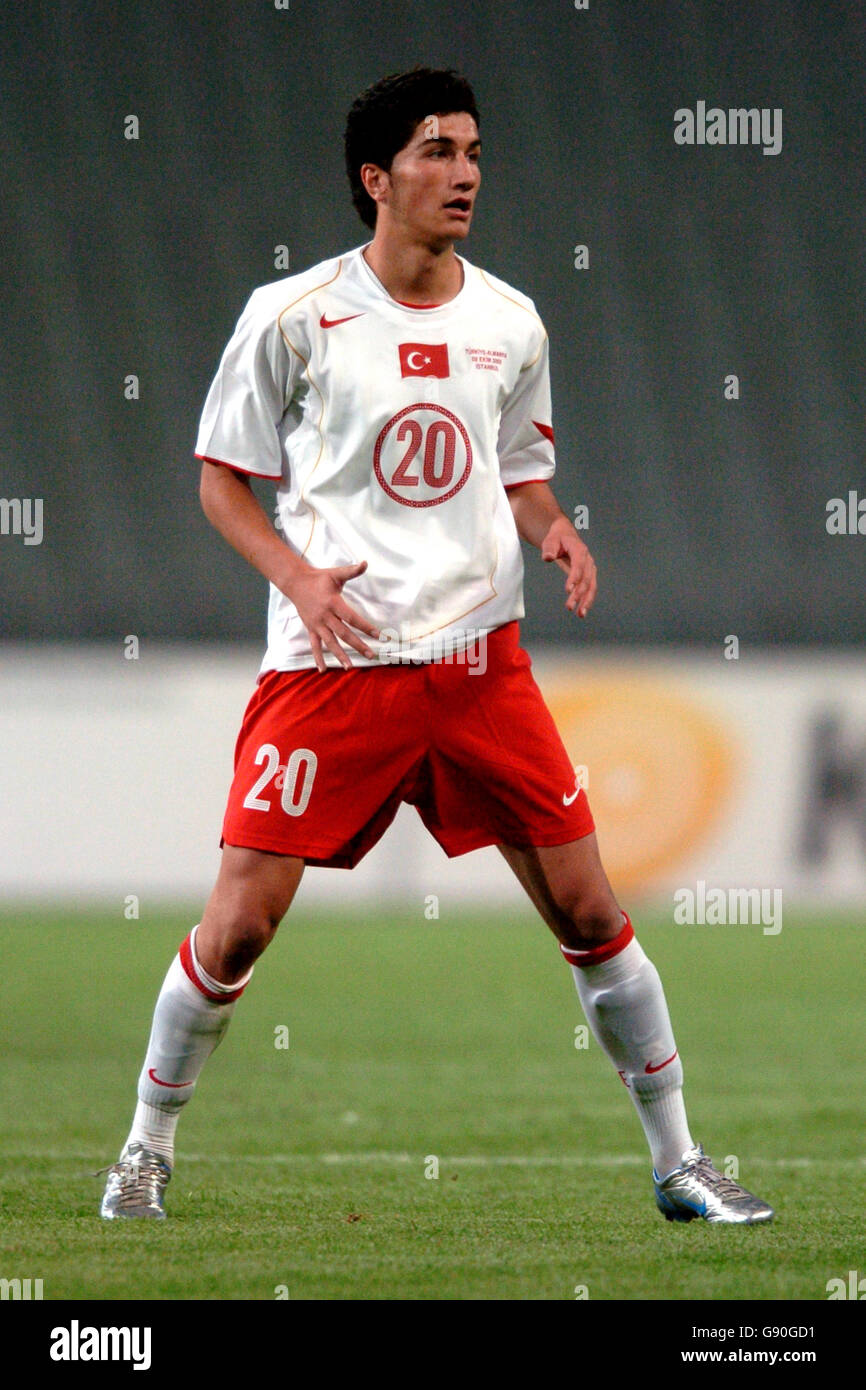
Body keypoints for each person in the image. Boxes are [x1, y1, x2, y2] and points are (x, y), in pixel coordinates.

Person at [101, 67, 772, 1227]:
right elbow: (221, 484)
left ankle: (677, 1164)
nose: (462, 171)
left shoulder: (509, 320)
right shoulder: (293, 316)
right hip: (331, 671)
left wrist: (553, 528)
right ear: (376, 178)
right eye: (434, 150)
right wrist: (299, 578)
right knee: (240, 922)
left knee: (588, 908)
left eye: (470, 149)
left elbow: (517, 468)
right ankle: (143, 1151)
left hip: (478, 670)